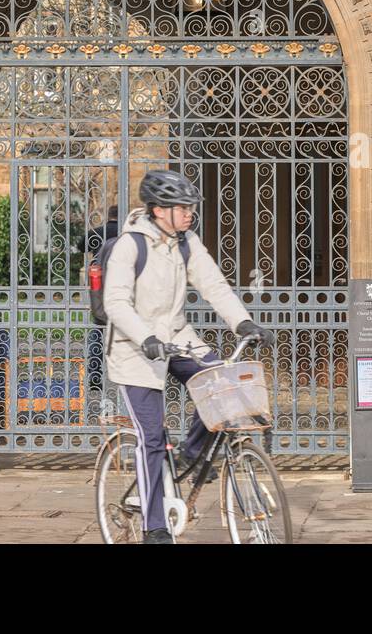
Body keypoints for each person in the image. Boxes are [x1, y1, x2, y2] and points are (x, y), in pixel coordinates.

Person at [103, 170, 273, 545]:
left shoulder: (186, 242)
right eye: (183, 208)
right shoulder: (130, 246)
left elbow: (213, 284)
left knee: (222, 382)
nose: (189, 214)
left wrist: (242, 323)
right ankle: (154, 526)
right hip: (135, 349)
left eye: (191, 208)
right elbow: (114, 302)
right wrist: (145, 336)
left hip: (178, 337)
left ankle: (190, 452)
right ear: (159, 210)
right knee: (150, 439)